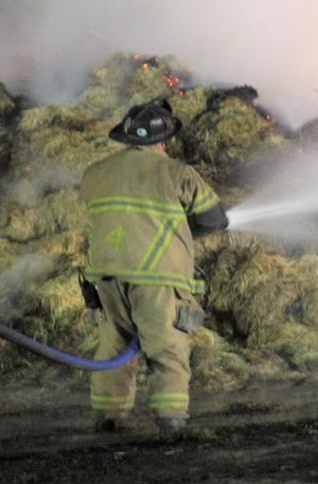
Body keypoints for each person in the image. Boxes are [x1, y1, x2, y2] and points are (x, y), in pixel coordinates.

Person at [80, 98, 228, 433]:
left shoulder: (95, 173)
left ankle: (108, 417)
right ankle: (171, 419)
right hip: (157, 276)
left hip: (105, 277)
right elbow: (214, 219)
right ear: (163, 141)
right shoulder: (177, 173)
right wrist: (183, 230)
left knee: (113, 346)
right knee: (167, 346)